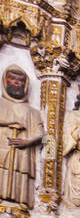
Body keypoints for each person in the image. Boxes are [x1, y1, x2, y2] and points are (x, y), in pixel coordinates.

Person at [0, 66, 43, 208]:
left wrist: (27, 141)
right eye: (12, 78)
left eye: (20, 80)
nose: (16, 82)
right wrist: (7, 123)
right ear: (5, 81)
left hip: (22, 151)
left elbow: (44, 135)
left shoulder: (32, 111)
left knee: (21, 171)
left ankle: (21, 202)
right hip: (2, 147)